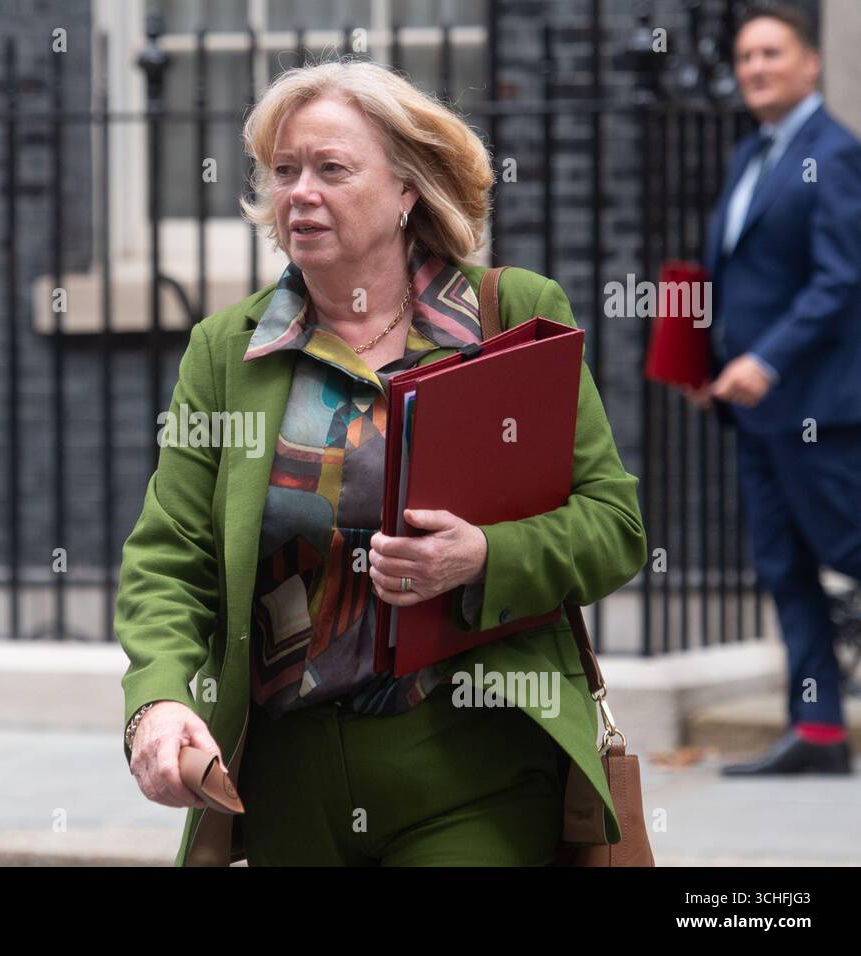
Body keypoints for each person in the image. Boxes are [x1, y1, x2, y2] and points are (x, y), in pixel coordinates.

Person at [115, 58, 647, 866]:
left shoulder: (511, 317)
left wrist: (483, 557)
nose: (299, 192)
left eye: (332, 169)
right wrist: (154, 697)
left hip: (473, 764)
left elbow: (614, 527)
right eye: (284, 170)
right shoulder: (228, 351)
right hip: (286, 779)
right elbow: (171, 554)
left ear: (407, 192)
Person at [685, 6, 861, 776]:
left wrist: (768, 361)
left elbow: (841, 278)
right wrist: (710, 365)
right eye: (745, 56)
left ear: (810, 63)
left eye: (771, 53)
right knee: (783, 565)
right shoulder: (751, 154)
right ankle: (818, 732)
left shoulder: (834, 153)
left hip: (819, 404)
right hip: (753, 410)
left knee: (850, 550)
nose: (754, 67)